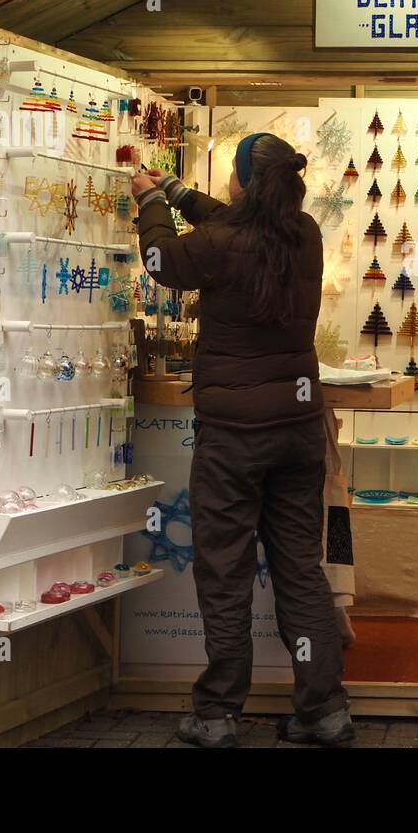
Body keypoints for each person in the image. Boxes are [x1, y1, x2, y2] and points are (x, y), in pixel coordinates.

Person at [131, 132, 353, 748]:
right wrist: (175, 190)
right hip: (297, 434)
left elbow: (162, 262)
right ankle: (323, 708)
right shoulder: (302, 233)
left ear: (245, 183)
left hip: (232, 440)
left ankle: (219, 712)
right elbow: (229, 222)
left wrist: (150, 203)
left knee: (224, 570)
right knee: (300, 569)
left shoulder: (222, 245)